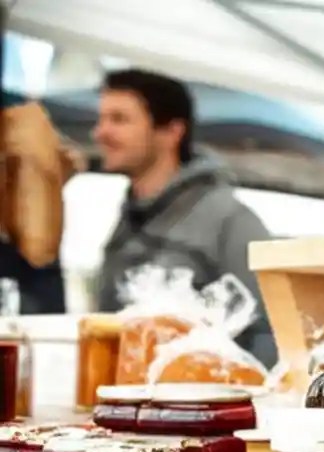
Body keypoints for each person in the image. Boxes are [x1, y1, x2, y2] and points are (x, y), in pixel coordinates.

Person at [93, 69, 277, 367]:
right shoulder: (129, 218)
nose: (100, 132)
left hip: (199, 407)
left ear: (172, 132)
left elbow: (270, 334)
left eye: (119, 119)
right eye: (101, 119)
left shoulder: (230, 220)